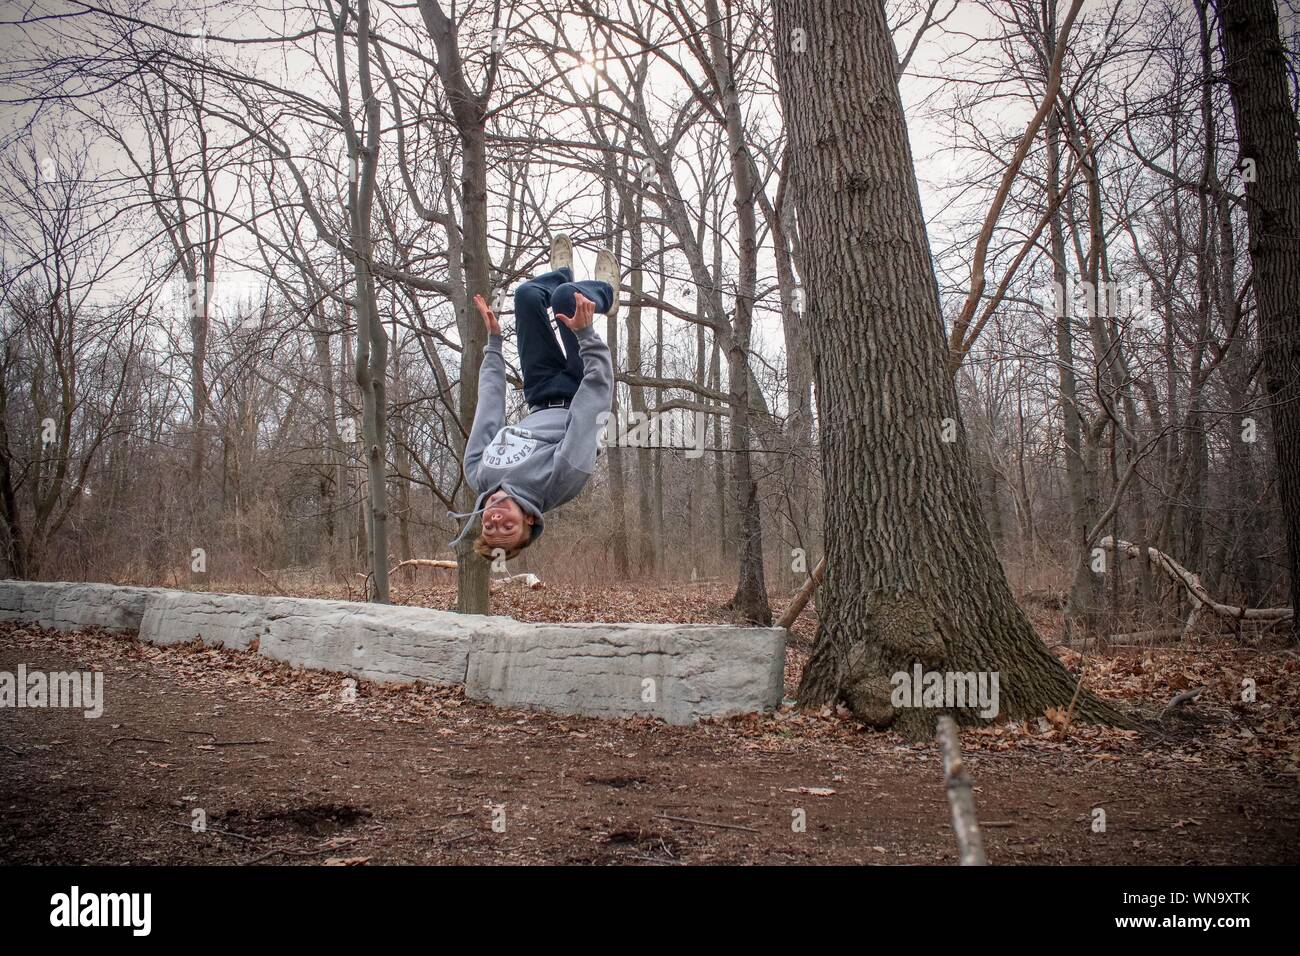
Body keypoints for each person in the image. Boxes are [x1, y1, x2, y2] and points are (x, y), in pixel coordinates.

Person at [449, 234, 620, 562]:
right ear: (530, 520)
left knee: (528, 296)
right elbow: (592, 410)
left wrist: (494, 344)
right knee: (567, 300)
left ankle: (562, 273)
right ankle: (606, 293)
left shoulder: (478, 473)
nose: (496, 521)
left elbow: (488, 409)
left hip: (539, 393)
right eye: (507, 530)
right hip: (579, 390)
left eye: (489, 528)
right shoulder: (558, 483)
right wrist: (586, 336)